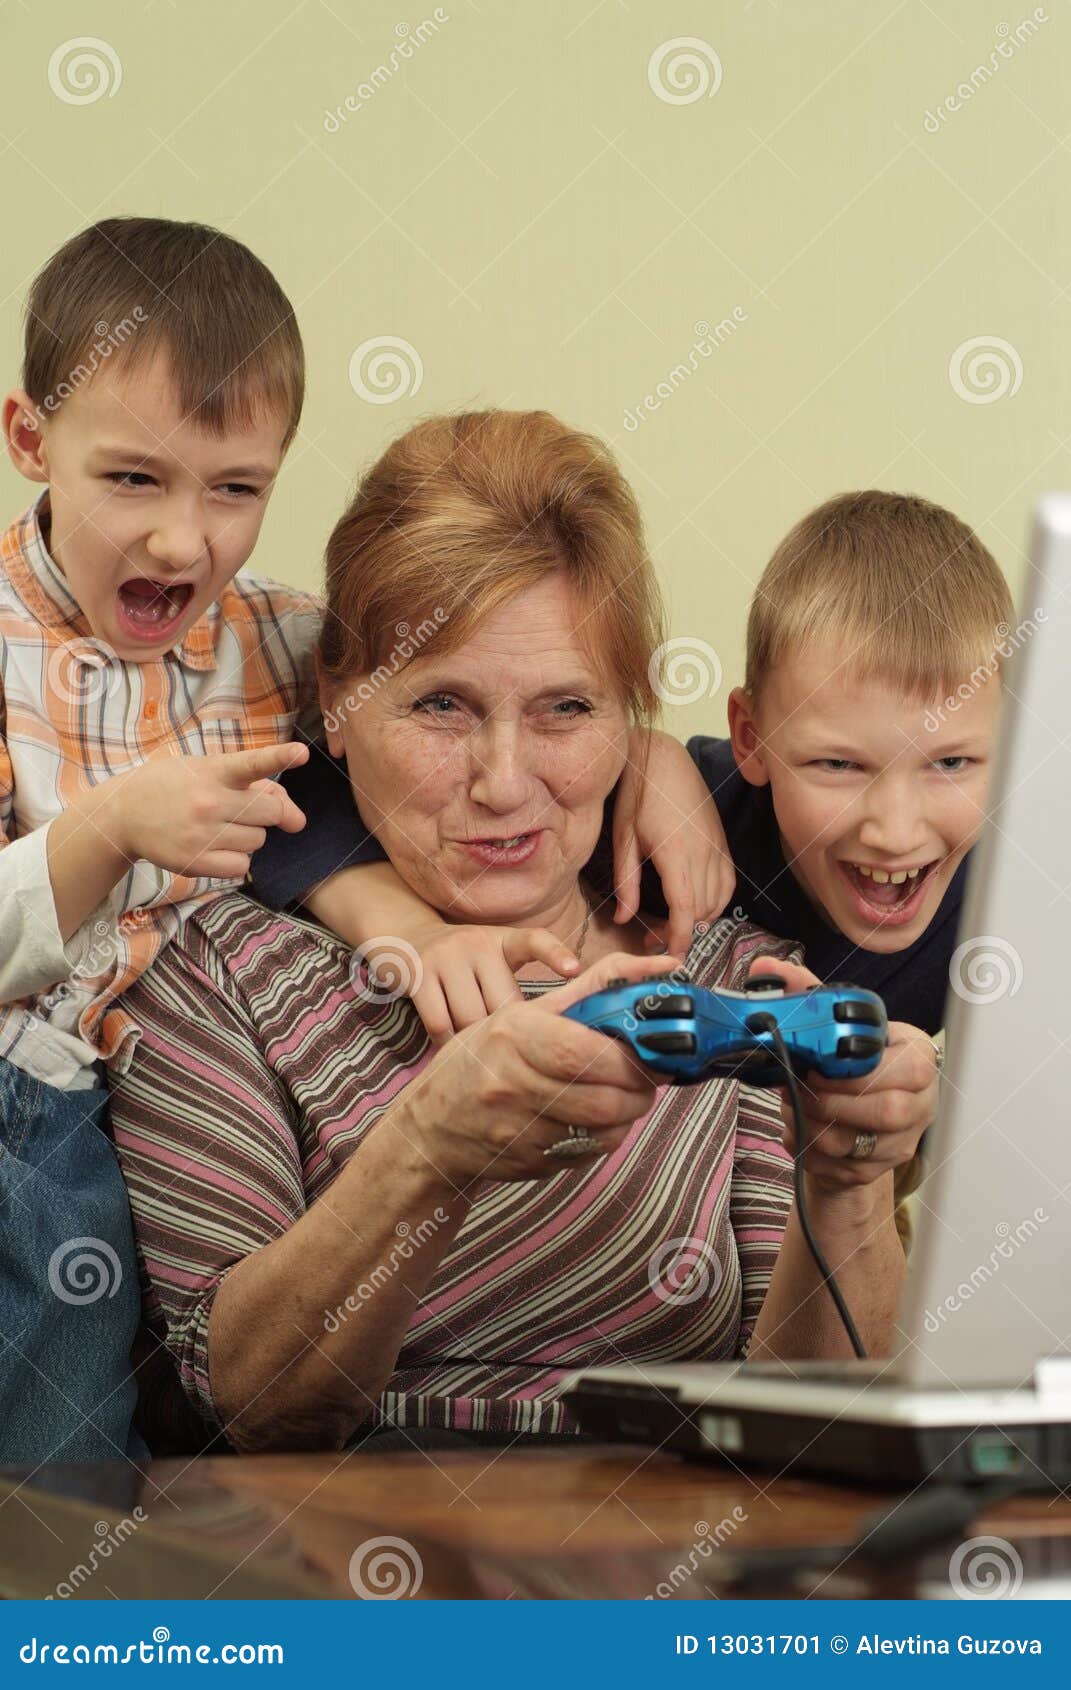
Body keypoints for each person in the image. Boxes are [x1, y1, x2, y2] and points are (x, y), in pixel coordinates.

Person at [107, 410, 938, 1455]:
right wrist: (424, 1155)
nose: (504, 783)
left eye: (564, 710)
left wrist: (850, 1184)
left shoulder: (726, 965)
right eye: (442, 705)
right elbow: (249, 1402)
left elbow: (812, 1432)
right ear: (338, 697)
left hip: (673, 1570)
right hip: (341, 1575)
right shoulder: (209, 971)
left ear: (632, 717)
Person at [252, 490, 1012, 1038]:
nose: (893, 829)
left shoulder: (1021, 907)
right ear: (750, 742)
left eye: (950, 762)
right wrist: (399, 924)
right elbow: (294, 785)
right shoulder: (674, 818)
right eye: (838, 766)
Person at [0, 216, 319, 1464]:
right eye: (132, 477)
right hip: (31, 1094)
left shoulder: (283, 638)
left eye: (235, 489)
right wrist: (110, 828)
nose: (185, 540)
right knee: (59, 1456)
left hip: (195, 1093)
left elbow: (480, 674)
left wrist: (673, 771)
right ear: (30, 438)